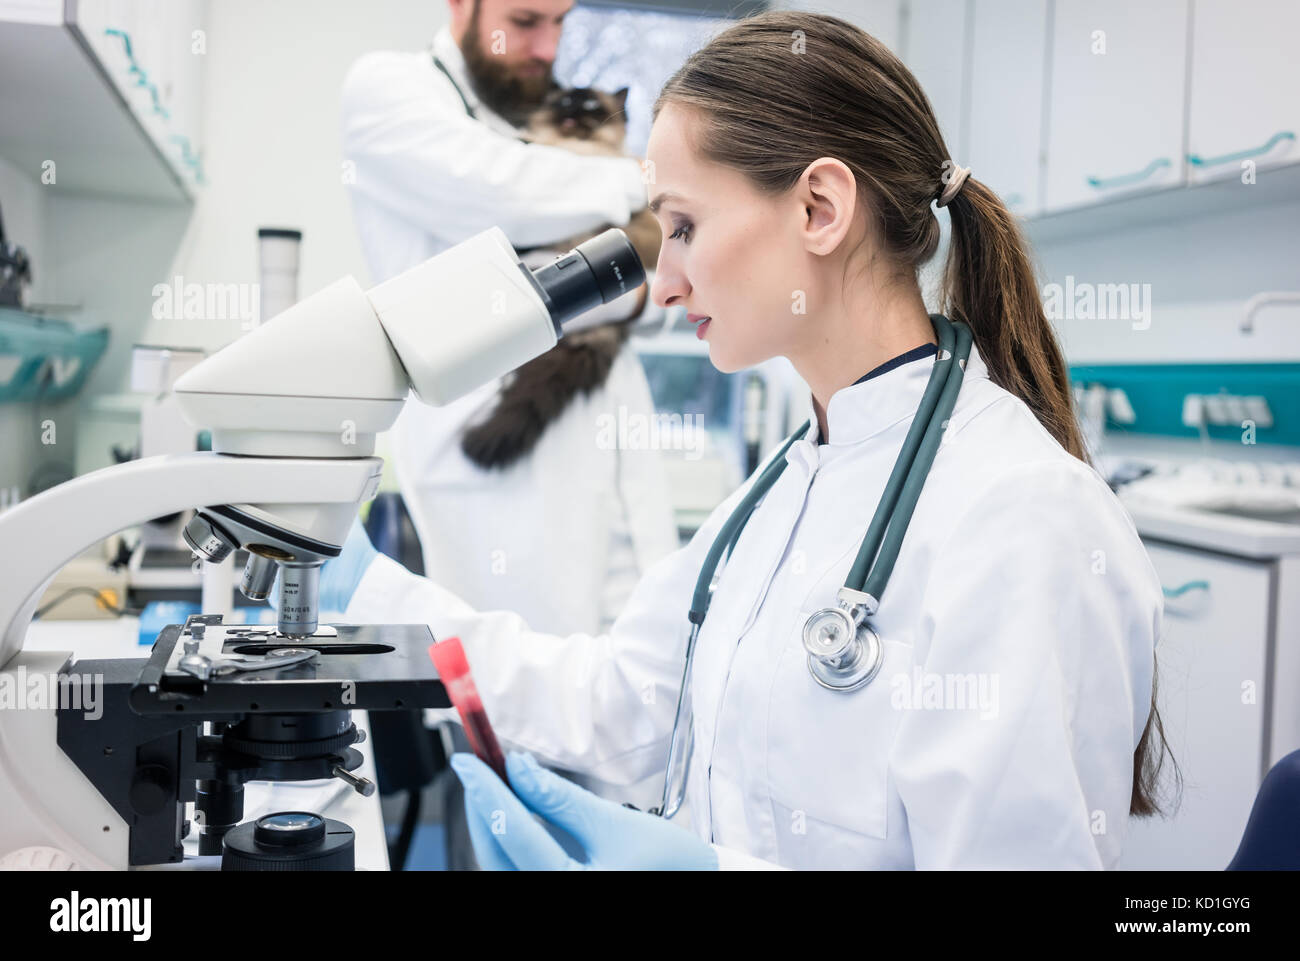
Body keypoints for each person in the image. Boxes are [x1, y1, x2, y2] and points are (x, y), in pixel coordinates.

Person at [333, 10, 1174, 869]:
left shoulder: (1021, 519)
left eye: (684, 228)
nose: (660, 285)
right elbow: (620, 702)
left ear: (819, 208)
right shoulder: (783, 487)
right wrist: (364, 595)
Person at [338, 0, 681, 825]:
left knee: (642, 720)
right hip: (496, 476)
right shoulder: (389, 91)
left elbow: (664, 291)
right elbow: (496, 192)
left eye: (561, 23)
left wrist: (605, 267)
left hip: (607, 440)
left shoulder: (536, 115)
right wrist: (654, 185)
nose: (549, 47)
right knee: (532, 738)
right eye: (527, 20)